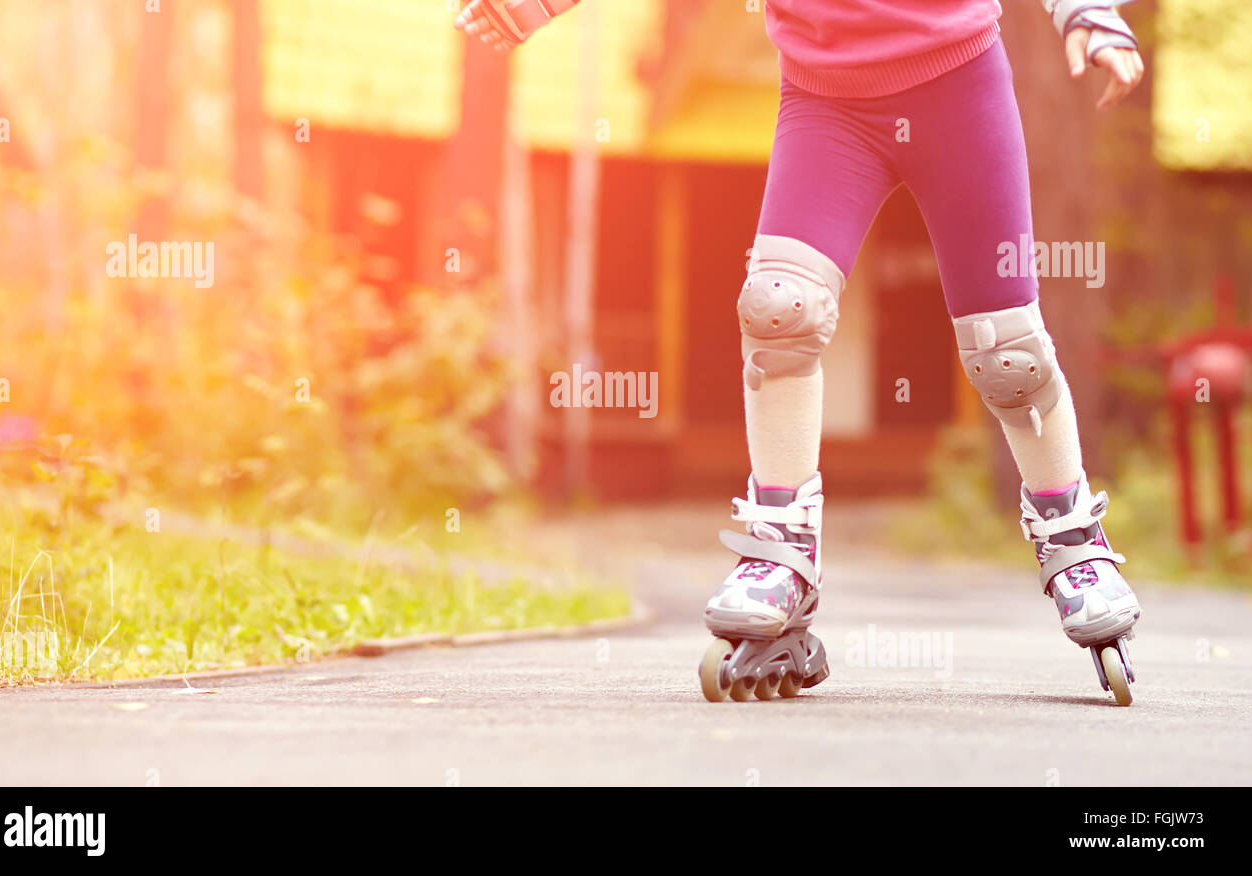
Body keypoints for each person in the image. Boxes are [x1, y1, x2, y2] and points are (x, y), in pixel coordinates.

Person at [455, 0, 1145, 704]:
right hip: (827, 104)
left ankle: (1073, 545)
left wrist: (1087, 12)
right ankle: (782, 553)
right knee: (779, 307)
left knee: (1008, 352)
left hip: (959, 87)